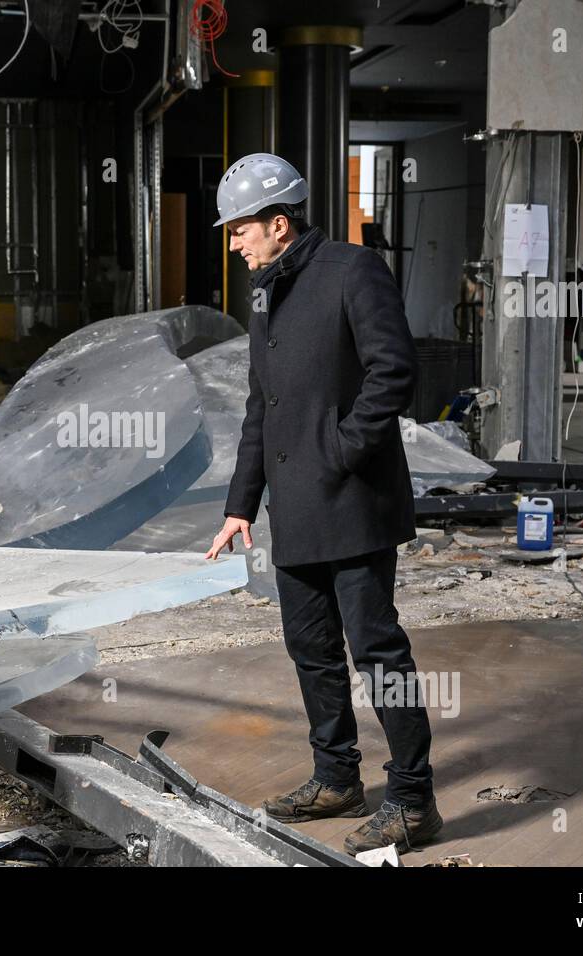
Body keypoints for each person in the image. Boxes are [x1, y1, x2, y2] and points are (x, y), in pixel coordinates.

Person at [204, 152, 441, 856]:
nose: (234, 241)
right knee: (310, 647)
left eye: (241, 228)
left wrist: (337, 454)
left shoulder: (351, 270)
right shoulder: (265, 292)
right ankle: (338, 776)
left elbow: (393, 372)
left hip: (352, 501)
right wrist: (241, 503)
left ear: (279, 224)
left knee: (376, 650)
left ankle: (412, 798)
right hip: (295, 507)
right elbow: (262, 406)